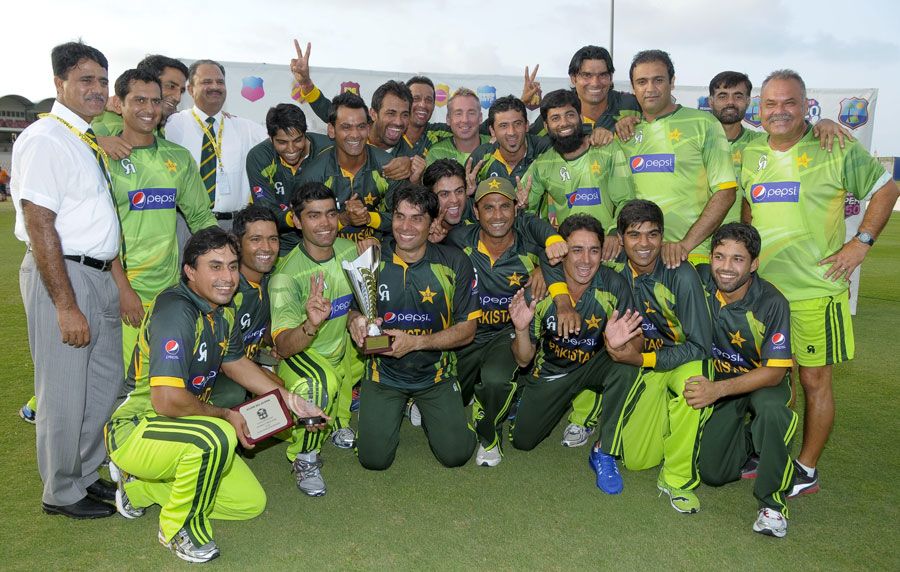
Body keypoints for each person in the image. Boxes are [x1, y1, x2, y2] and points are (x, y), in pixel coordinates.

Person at [104, 228, 326, 563]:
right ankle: (177, 528)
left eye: (233, 266)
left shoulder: (224, 309)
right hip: (136, 428)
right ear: (190, 272)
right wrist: (225, 415)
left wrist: (290, 400)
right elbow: (165, 400)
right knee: (218, 435)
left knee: (248, 502)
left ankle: (138, 488)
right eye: (215, 266)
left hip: (178, 426)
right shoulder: (176, 310)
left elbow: (236, 363)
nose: (228, 277)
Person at [741, 69, 899, 497]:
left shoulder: (834, 145)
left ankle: (807, 468)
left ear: (805, 106)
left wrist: (861, 243)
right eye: (770, 103)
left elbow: (886, 190)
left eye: (789, 102)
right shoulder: (751, 152)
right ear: (760, 108)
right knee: (774, 378)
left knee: (814, 382)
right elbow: (748, 209)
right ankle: (769, 449)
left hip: (815, 292)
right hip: (765, 294)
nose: (779, 111)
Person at [12, 41, 122, 519]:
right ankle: (61, 491)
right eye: (85, 80)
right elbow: (39, 222)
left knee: (102, 384)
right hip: (65, 276)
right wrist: (65, 304)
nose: (97, 89)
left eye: (102, 80)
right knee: (63, 391)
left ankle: (84, 472)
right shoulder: (45, 139)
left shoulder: (83, 137)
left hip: (98, 273)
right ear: (59, 83)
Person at [508, 213, 644, 495]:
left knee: (626, 365)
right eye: (577, 250)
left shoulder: (613, 284)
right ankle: (527, 397)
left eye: (594, 250)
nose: (586, 260)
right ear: (562, 253)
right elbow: (523, 359)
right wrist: (520, 329)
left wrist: (622, 344)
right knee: (522, 441)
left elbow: (638, 345)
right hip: (552, 373)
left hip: (594, 364)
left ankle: (604, 450)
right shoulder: (540, 288)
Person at [348, 185, 480, 470]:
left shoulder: (455, 262)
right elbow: (355, 310)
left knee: (456, 456)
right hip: (383, 374)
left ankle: (446, 416)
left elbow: (468, 330)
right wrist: (355, 322)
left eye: (416, 218)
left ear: (432, 224)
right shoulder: (371, 260)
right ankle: (400, 407)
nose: (405, 227)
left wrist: (416, 343)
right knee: (373, 461)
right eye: (399, 216)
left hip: (436, 375)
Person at [445, 178, 569, 466]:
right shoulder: (458, 239)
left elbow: (561, 260)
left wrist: (543, 266)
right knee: (447, 398)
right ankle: (467, 393)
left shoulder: (531, 247)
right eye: (488, 207)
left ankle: (489, 434)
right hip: (467, 332)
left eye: (504, 206)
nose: (497, 215)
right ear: (476, 212)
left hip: (507, 334)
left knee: (496, 380)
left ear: (516, 210)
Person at [602, 199, 713, 514]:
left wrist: (647, 360)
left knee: (693, 389)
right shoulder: (614, 270)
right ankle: (671, 418)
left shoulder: (681, 274)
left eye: (652, 234)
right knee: (637, 460)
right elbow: (571, 261)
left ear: (663, 236)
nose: (644, 244)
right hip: (647, 363)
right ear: (620, 239)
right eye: (634, 235)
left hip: (683, 359)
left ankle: (678, 479)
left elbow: (700, 346)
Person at [688, 223, 797, 538]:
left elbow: (775, 372)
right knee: (712, 473)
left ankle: (772, 504)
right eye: (719, 256)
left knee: (773, 413)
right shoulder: (700, 280)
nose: (725, 267)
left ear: (754, 264)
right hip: (723, 385)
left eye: (737, 259)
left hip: (763, 381)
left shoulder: (772, 302)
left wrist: (716, 390)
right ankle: (753, 439)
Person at [110, 68, 217, 373]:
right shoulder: (104, 157)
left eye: (155, 101)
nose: (149, 109)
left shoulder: (178, 157)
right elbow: (99, 234)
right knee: (123, 379)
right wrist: (123, 290)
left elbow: (200, 216)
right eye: (139, 100)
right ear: (120, 104)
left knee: (163, 375)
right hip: (124, 291)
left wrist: (222, 261)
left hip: (169, 291)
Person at [268, 182, 363, 495]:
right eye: (313, 216)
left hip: (339, 351)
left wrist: (356, 317)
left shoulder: (349, 251)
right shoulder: (286, 276)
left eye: (331, 214)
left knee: (371, 340)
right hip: (302, 356)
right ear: (297, 221)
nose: (325, 223)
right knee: (319, 383)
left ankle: (338, 422)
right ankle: (305, 456)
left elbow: (354, 304)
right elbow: (283, 346)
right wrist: (310, 323)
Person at [617, 50, 737, 267]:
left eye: (658, 80)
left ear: (672, 82)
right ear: (633, 88)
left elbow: (726, 192)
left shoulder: (704, 123)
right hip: (641, 259)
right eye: (642, 82)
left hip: (692, 256)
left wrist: (684, 245)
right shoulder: (626, 134)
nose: (650, 88)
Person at [706, 70, 851, 225]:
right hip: (698, 238)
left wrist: (824, 123)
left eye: (738, 96)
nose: (730, 102)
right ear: (710, 101)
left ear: (748, 101)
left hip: (741, 238)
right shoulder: (695, 143)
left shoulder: (759, 145)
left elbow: (796, 136)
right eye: (722, 96)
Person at [523, 89, 634, 253]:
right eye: (555, 118)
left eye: (570, 115)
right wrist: (523, 205)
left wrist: (613, 232)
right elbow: (525, 212)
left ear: (581, 117)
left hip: (607, 249)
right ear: (546, 126)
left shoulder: (607, 149)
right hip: (568, 254)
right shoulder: (542, 164)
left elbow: (626, 200)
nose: (564, 123)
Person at [165, 59, 268, 227]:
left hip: (231, 225)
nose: (215, 86)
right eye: (206, 82)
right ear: (190, 89)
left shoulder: (247, 128)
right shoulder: (171, 125)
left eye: (220, 82)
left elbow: (286, 143)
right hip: (185, 223)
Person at [296, 92, 403, 243]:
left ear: (368, 128)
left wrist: (368, 218)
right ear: (331, 130)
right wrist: (344, 219)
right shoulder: (314, 175)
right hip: (330, 251)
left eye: (361, 126)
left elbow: (405, 219)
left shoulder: (390, 167)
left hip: (380, 248)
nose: (355, 135)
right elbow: (306, 227)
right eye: (346, 127)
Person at [207, 205, 281, 408]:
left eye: (273, 239)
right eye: (256, 239)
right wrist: (261, 376)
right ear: (237, 244)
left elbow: (260, 328)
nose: (267, 247)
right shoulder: (228, 291)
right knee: (237, 393)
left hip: (247, 363)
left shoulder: (271, 279)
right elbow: (218, 358)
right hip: (212, 374)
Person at [247, 103, 331, 255]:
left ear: (305, 133)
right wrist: (297, 217)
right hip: (279, 242)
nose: (291, 149)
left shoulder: (328, 149)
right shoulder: (259, 157)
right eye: (282, 142)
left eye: (298, 140)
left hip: (324, 237)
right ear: (271, 138)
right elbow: (266, 212)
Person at [526, 45, 641, 136]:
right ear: (573, 78)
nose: (595, 83)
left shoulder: (630, 105)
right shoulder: (557, 112)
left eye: (602, 75)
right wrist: (523, 104)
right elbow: (523, 141)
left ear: (610, 78)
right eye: (587, 75)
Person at [467, 95, 551, 189]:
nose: (511, 132)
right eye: (503, 126)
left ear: (526, 126)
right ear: (492, 131)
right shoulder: (481, 157)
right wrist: (470, 194)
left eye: (517, 124)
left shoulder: (546, 151)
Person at [425, 88, 490, 166]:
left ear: (480, 118)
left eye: (471, 113)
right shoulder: (437, 153)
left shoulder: (496, 146)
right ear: (448, 119)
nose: (465, 120)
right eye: (458, 113)